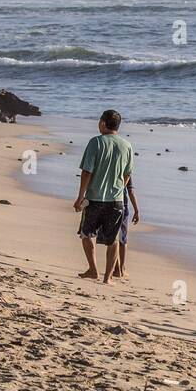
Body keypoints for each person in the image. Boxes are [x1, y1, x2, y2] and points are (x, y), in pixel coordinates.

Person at [74, 109, 134, 283]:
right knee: (113, 239)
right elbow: (128, 173)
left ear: (102, 123)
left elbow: (87, 171)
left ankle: (93, 269)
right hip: (116, 199)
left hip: (94, 198)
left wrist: (80, 196)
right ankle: (107, 278)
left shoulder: (96, 142)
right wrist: (119, 188)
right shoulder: (127, 145)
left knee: (86, 234)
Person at [111, 179, 141, 278]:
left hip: (109, 204)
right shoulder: (125, 170)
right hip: (122, 206)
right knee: (122, 238)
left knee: (112, 238)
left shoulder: (112, 168)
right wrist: (136, 210)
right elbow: (131, 191)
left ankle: (116, 268)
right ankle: (121, 268)